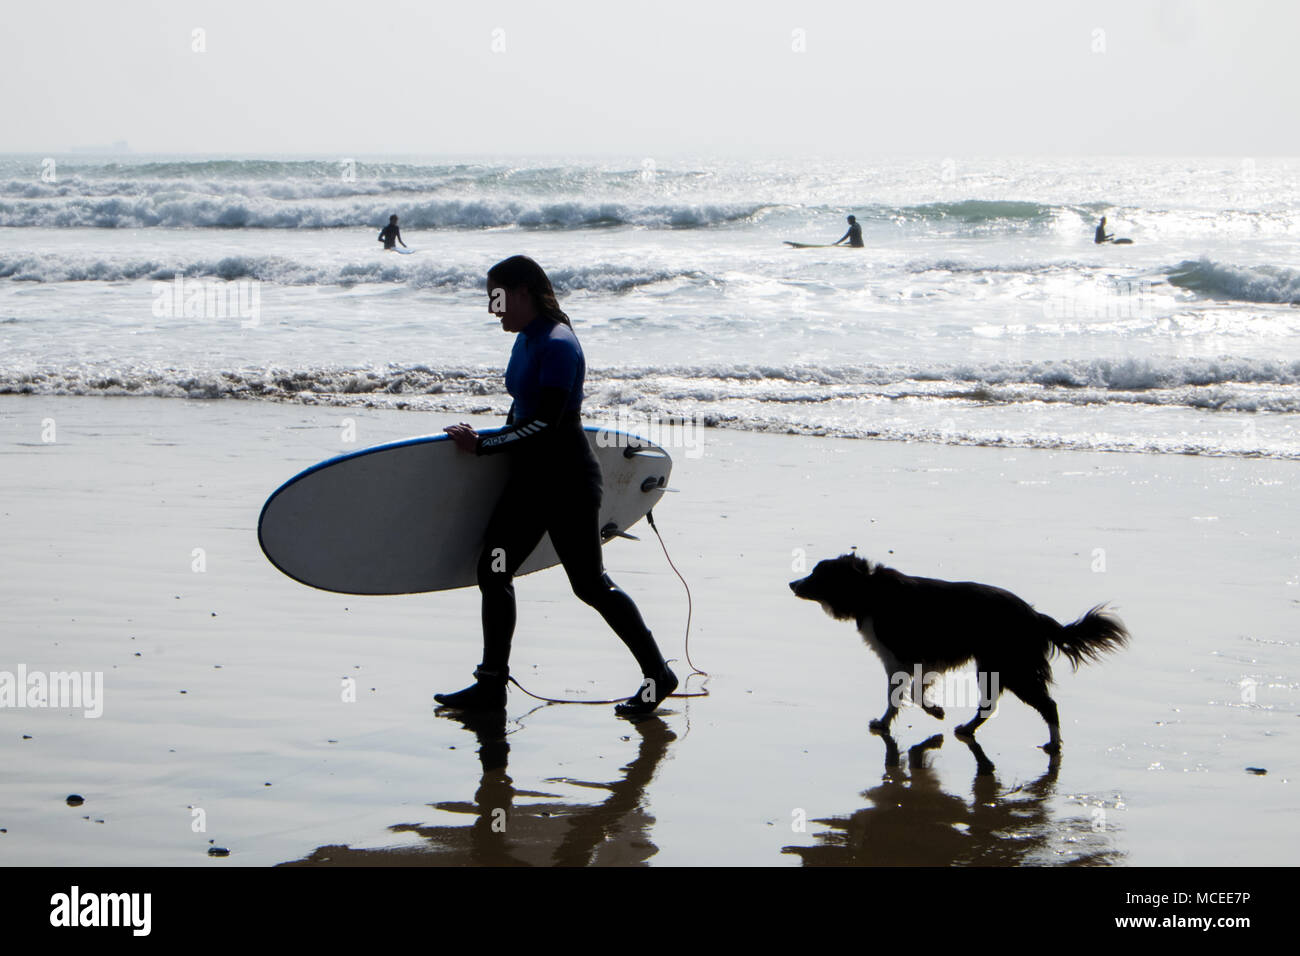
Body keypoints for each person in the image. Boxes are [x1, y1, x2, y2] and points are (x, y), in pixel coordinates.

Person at [437, 255, 678, 716]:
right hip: (530, 482)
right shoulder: (526, 340)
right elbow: (522, 411)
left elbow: (548, 424)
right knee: (493, 569)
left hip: (566, 483)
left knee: (589, 585)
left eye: (498, 297)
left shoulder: (558, 344)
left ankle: (658, 673)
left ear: (523, 292)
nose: (493, 309)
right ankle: (491, 686)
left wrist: (484, 446)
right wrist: (493, 442)